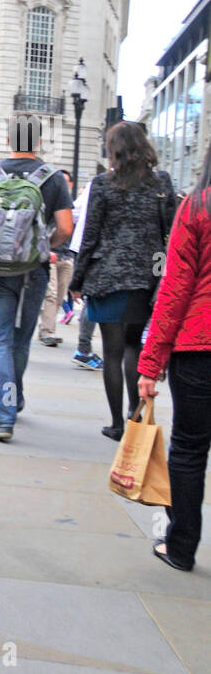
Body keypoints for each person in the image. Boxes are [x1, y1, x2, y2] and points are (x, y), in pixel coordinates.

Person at [0, 115, 74, 440]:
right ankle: (12, 399)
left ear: (9, 140)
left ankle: (1, 414)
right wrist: (43, 245)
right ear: (38, 141)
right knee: (19, 341)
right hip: (32, 272)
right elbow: (66, 228)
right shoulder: (53, 178)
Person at [69, 122, 176, 439]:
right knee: (135, 346)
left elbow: (90, 235)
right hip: (148, 277)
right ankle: (135, 416)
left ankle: (117, 423)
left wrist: (78, 278)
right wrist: (162, 271)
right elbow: (168, 231)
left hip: (108, 276)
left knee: (112, 351)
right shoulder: (161, 182)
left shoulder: (103, 184)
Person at [138, 145, 211, 572]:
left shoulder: (196, 207)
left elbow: (175, 289)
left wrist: (150, 363)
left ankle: (181, 546)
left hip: (199, 348)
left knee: (188, 449)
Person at [69, 175, 103, 370]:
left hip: (82, 246)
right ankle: (83, 349)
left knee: (89, 299)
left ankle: (84, 348)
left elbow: (74, 212)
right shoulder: (112, 182)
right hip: (96, 249)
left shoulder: (95, 183)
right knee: (92, 300)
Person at [38, 170, 75, 347]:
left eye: (66, 182)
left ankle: (45, 325)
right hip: (51, 254)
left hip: (67, 256)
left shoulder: (74, 205)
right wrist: (48, 248)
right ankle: (47, 332)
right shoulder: (50, 202)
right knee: (51, 294)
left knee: (59, 296)